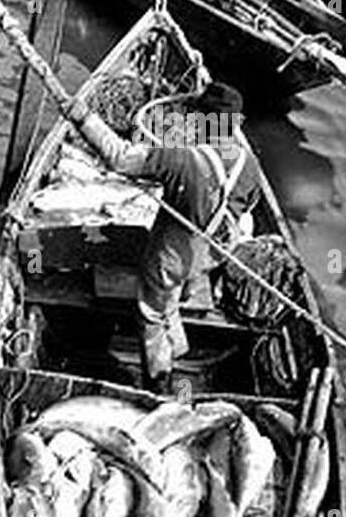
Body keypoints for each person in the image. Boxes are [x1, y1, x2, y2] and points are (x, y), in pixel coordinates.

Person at [66, 81, 258, 393]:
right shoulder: (248, 162)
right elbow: (247, 208)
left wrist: (84, 118)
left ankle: (160, 381)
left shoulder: (182, 157)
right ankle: (180, 339)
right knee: (177, 292)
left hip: (171, 258)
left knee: (152, 314)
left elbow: (121, 158)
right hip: (214, 255)